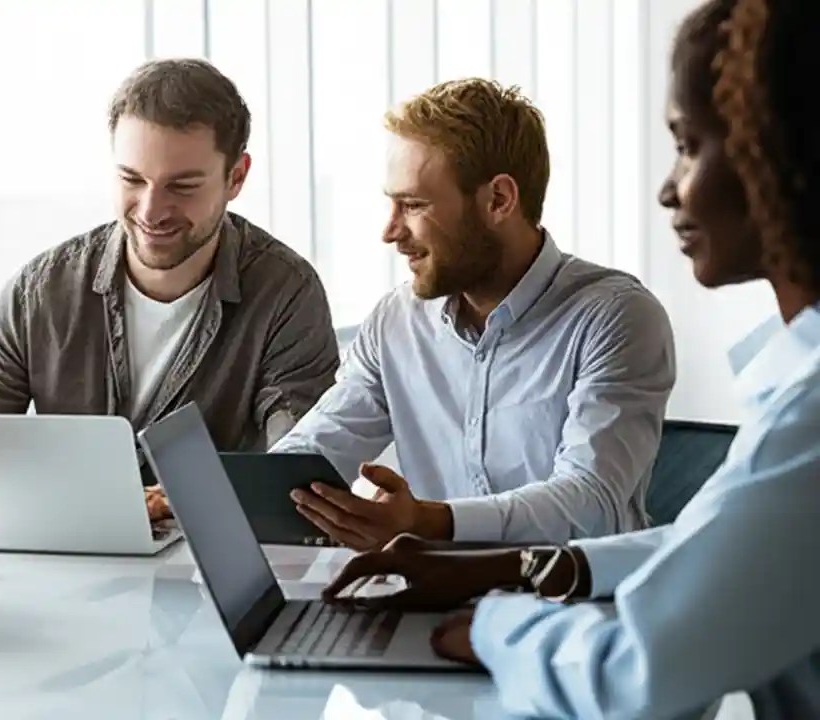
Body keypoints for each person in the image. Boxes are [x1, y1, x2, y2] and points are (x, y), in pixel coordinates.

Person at [325, 1, 820, 716]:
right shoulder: (796, 389)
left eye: (689, 145)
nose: (669, 189)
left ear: (776, 157)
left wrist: (491, 617)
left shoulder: (804, 415)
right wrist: (501, 568)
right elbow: (698, 546)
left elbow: (631, 676)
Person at [273, 78, 676, 549]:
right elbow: (316, 448)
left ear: (499, 200)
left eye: (413, 205)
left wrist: (430, 522)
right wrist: (228, 492)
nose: (390, 231)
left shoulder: (615, 318)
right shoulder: (395, 322)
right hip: (429, 587)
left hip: (572, 592)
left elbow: (589, 502)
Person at [0, 58, 339, 518]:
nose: (151, 211)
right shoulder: (39, 294)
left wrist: (191, 497)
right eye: (132, 179)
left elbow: (300, 471)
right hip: (65, 542)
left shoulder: (286, 293)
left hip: (203, 547)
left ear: (236, 177)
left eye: (182, 187)